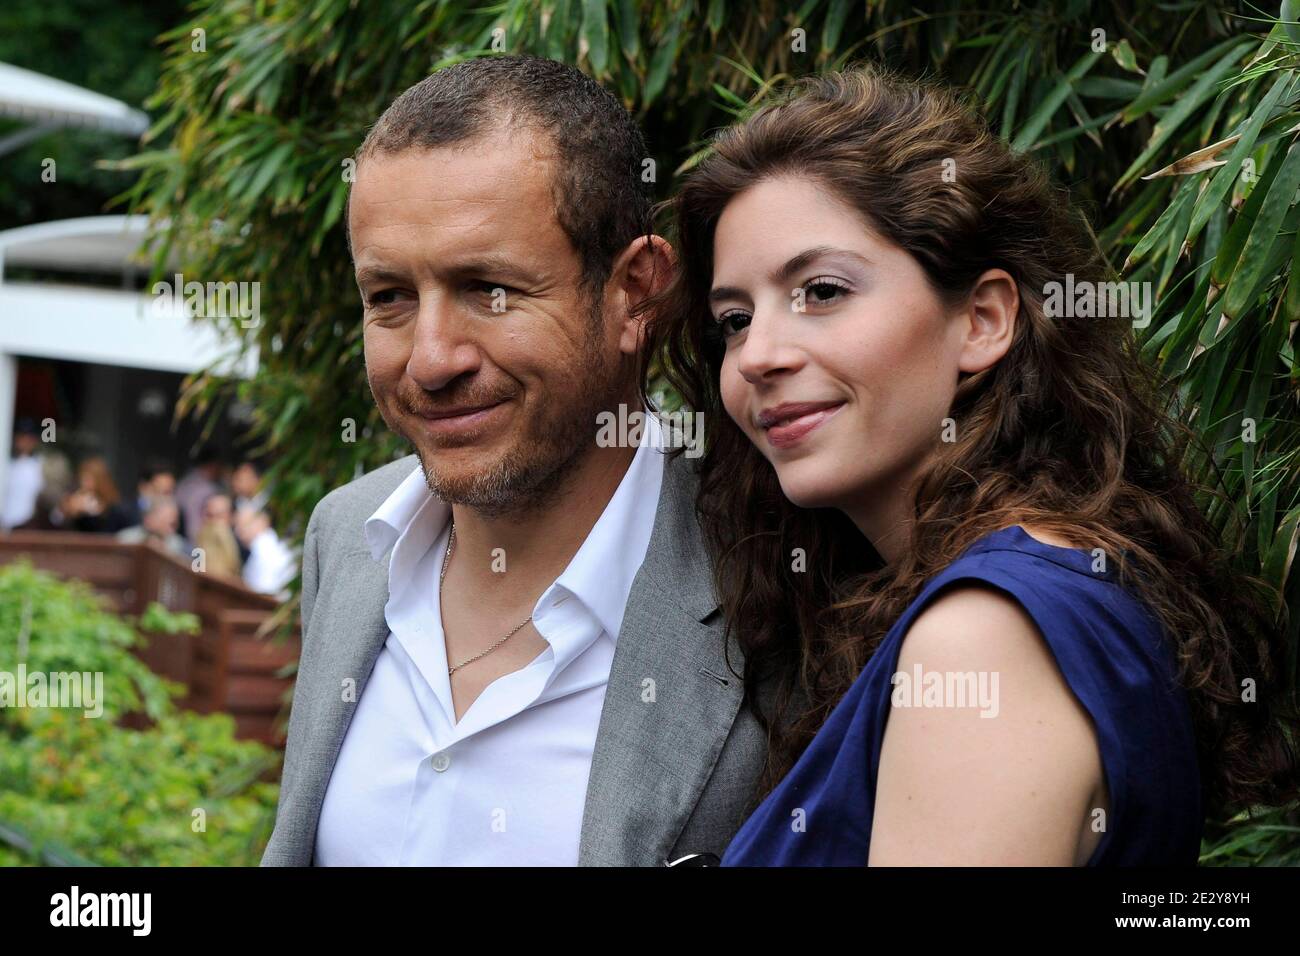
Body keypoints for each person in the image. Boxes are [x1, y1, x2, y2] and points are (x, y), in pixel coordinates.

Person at [648, 65, 1300, 865]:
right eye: (734, 321)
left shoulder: (986, 634)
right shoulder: (1017, 588)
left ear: (984, 321)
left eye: (820, 290)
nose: (758, 356)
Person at [263, 55, 768, 867]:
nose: (431, 359)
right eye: (389, 296)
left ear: (635, 291)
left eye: (488, 290)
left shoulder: (775, 569)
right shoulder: (349, 537)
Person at [58, 456, 132, 534]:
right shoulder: (77, 499)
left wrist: (98, 513)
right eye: (83, 479)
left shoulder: (115, 507)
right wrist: (73, 512)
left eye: (88, 479)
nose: (84, 483)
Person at [234, 508, 295, 598]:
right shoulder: (264, 545)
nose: (238, 530)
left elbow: (263, 590)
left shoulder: (264, 547)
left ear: (263, 522)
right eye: (236, 525)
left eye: (244, 525)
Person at [2, 418, 44, 530]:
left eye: (29, 437)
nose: (24, 441)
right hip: (4, 525)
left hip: (27, 527)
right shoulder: (6, 463)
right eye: (21, 436)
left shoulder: (41, 465)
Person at [116, 495, 189, 558]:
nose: (172, 523)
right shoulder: (125, 539)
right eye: (164, 519)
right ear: (148, 517)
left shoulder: (180, 547)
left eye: (174, 519)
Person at [175, 449, 223, 541]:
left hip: (182, 539)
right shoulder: (208, 489)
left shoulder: (183, 483)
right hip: (198, 540)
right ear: (213, 465)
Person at [193, 491, 242, 579]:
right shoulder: (198, 544)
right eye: (209, 515)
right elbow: (197, 571)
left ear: (232, 518)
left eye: (219, 516)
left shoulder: (243, 550)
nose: (213, 523)